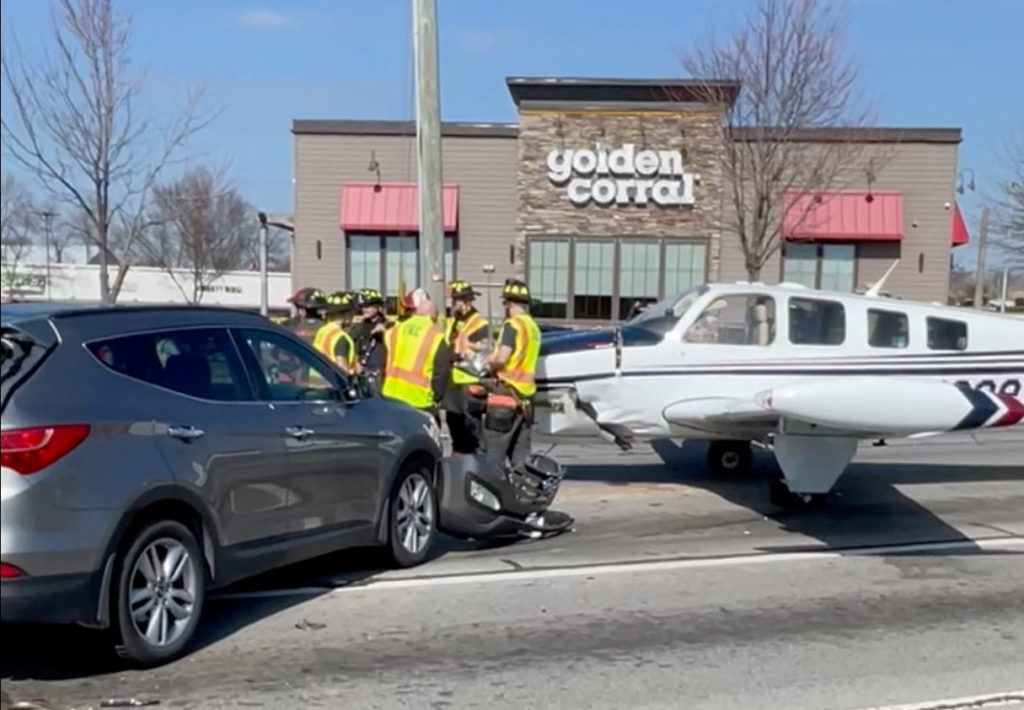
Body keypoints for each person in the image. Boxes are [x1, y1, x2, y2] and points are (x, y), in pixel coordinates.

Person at [483, 278, 541, 470]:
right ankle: (521, 495)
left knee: (493, 455)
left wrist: (488, 363)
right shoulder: (533, 328)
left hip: (505, 395)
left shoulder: (512, 326)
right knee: (520, 457)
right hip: (526, 399)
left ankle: (494, 496)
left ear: (510, 304)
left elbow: (503, 357)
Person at [381, 288, 452, 421]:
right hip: (420, 401)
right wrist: (437, 397)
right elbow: (441, 373)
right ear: (434, 315)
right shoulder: (435, 337)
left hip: (390, 396)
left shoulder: (393, 331)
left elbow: (383, 362)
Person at [443, 279, 490, 454]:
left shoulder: (479, 322)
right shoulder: (453, 321)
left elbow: (485, 350)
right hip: (454, 381)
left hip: (470, 381)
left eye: (456, 301)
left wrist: (467, 349)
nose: (453, 305)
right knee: (454, 424)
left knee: (472, 429)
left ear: (467, 301)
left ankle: (480, 464)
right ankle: (459, 463)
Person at [349, 288, 390, 393]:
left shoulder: (389, 326)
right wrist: (357, 363)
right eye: (362, 307)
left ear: (377, 307)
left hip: (380, 371)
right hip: (363, 372)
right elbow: (355, 347)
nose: (364, 310)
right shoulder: (359, 327)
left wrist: (386, 333)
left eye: (367, 306)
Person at [311, 291, 360, 376]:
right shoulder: (341, 337)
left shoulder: (322, 331)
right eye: (352, 314)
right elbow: (341, 367)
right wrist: (354, 371)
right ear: (346, 315)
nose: (353, 317)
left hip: (315, 382)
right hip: (332, 385)